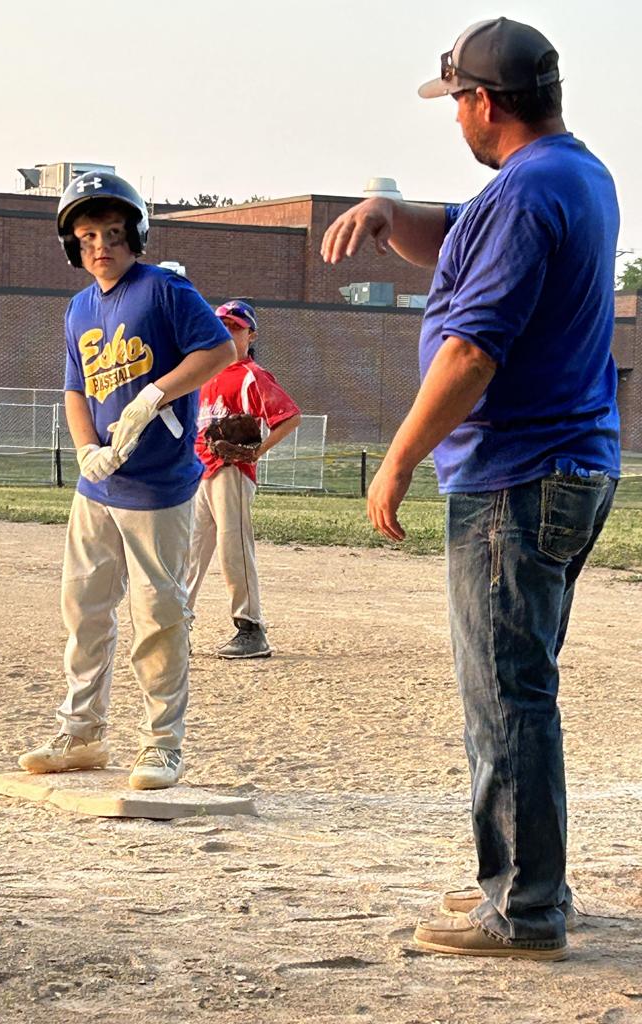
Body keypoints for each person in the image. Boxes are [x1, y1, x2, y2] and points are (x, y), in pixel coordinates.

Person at [322, 18, 620, 959]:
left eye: (456, 101)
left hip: (514, 478)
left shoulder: (526, 193)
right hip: (567, 467)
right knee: (522, 686)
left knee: (504, 695)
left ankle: (524, 910)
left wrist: (399, 458)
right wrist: (387, 212)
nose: (454, 117)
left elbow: (471, 352)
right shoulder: (572, 173)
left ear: (484, 101)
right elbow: (458, 229)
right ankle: (534, 883)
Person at [18, 171, 235, 789]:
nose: (101, 246)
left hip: (157, 487)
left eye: (113, 233)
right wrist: (85, 448)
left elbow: (219, 351)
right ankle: (82, 734)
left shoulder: (164, 288)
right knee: (84, 609)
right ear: (73, 245)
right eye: (88, 236)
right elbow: (76, 388)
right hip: (98, 488)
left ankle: (162, 744)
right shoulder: (79, 307)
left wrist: (153, 396)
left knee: (158, 613)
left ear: (135, 235)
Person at [186, 300, 301, 658]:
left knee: (233, 547)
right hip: (199, 471)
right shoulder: (203, 374)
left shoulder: (252, 374)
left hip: (232, 471)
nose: (227, 332)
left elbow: (289, 417)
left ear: (251, 335)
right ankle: (176, 625)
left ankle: (251, 628)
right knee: (190, 552)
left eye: (236, 327)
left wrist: (256, 451)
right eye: (222, 326)